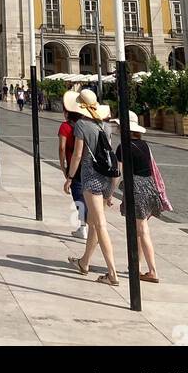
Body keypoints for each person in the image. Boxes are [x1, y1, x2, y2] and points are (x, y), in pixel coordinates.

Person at [64, 88, 120, 288]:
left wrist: (70, 177)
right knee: (93, 221)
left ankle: (112, 273)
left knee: (100, 224)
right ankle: (84, 262)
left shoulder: (81, 125)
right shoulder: (104, 125)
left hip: (91, 178)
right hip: (106, 177)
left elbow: (78, 155)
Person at [115, 111, 164, 283]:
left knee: (142, 230)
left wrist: (110, 193)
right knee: (139, 229)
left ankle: (152, 271)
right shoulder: (144, 145)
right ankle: (136, 266)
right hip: (150, 188)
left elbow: (118, 172)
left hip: (136, 189)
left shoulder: (123, 147)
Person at [58, 108, 87, 240]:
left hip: (74, 165)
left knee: (78, 197)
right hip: (88, 165)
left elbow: (62, 148)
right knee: (88, 196)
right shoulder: (85, 125)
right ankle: (89, 225)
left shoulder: (65, 126)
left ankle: (84, 226)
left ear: (67, 113)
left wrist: (62, 165)